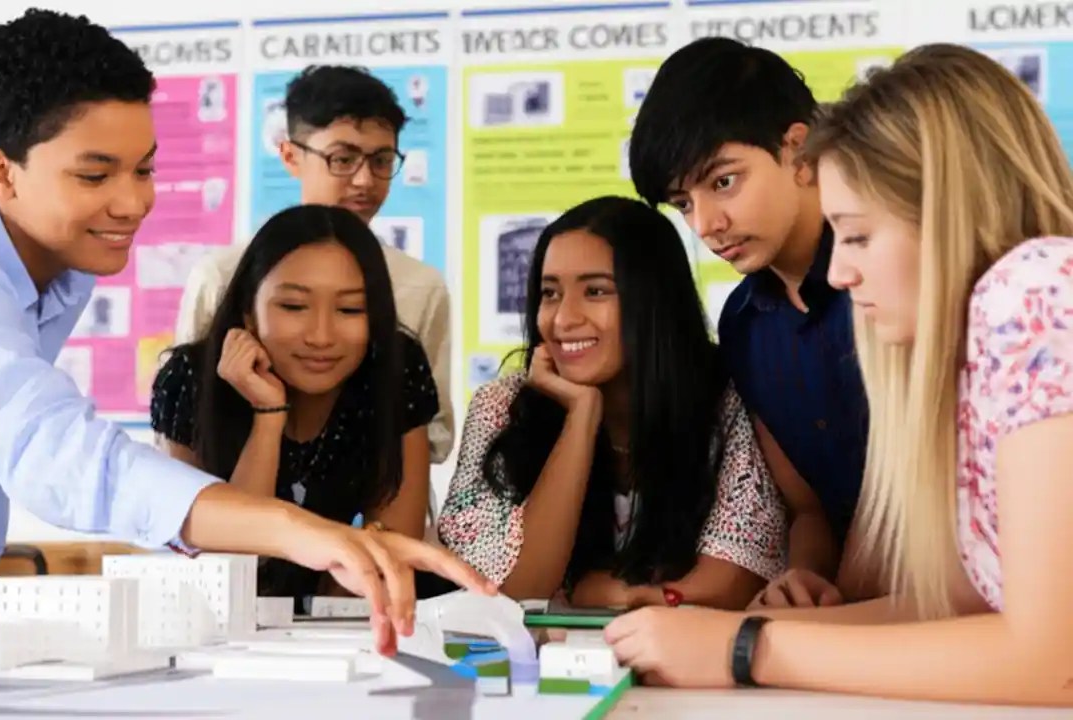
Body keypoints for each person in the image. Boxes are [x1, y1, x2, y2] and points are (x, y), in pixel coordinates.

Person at [0, 9, 490, 650]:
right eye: (95, 175)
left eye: (145, 168)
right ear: (0, 171)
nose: (133, 202)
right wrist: (302, 531)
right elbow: (54, 454)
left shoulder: (50, 272)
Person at [604, 44, 1073, 707]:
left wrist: (747, 649)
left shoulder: (1031, 289)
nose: (839, 274)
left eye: (856, 236)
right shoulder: (969, 341)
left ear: (943, 207)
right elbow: (956, 604)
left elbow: (1055, 659)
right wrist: (735, 634)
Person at [438, 197, 787, 609]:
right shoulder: (502, 407)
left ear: (654, 300)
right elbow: (516, 591)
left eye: (596, 291)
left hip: (684, 648)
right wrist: (581, 416)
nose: (563, 319)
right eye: (549, 293)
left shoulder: (729, 394)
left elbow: (736, 577)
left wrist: (627, 596)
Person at [629, 37, 869, 609]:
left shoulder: (885, 275)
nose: (705, 224)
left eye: (723, 182)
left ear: (799, 150)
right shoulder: (743, 324)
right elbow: (808, 507)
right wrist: (800, 582)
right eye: (683, 203)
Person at [152, 204, 438, 601]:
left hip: (348, 614)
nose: (321, 336)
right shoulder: (190, 380)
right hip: (218, 617)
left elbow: (391, 553)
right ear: (249, 312)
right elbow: (226, 566)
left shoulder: (394, 367)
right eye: (293, 306)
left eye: (349, 309)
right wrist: (268, 417)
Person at [176, 65, 455, 465]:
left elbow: (434, 434)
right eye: (343, 159)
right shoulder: (222, 275)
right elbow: (189, 409)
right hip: (236, 490)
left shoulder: (419, 285)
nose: (364, 180)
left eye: (381, 160)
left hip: (379, 496)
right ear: (291, 156)